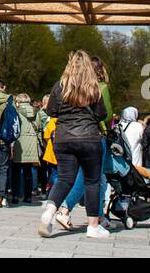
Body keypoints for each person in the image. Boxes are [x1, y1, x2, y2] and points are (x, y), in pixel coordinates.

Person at [39, 51, 109, 239]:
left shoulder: (59, 86)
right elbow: (102, 114)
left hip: (63, 138)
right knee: (92, 182)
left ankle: (50, 211)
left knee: (64, 179)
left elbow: (52, 111)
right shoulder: (93, 87)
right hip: (89, 138)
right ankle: (93, 226)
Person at [11, 92, 41, 204]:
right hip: (31, 143)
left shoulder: (16, 111)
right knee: (28, 171)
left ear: (18, 102)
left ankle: (15, 196)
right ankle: (28, 196)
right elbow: (38, 127)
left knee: (16, 171)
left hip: (19, 142)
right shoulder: (36, 112)